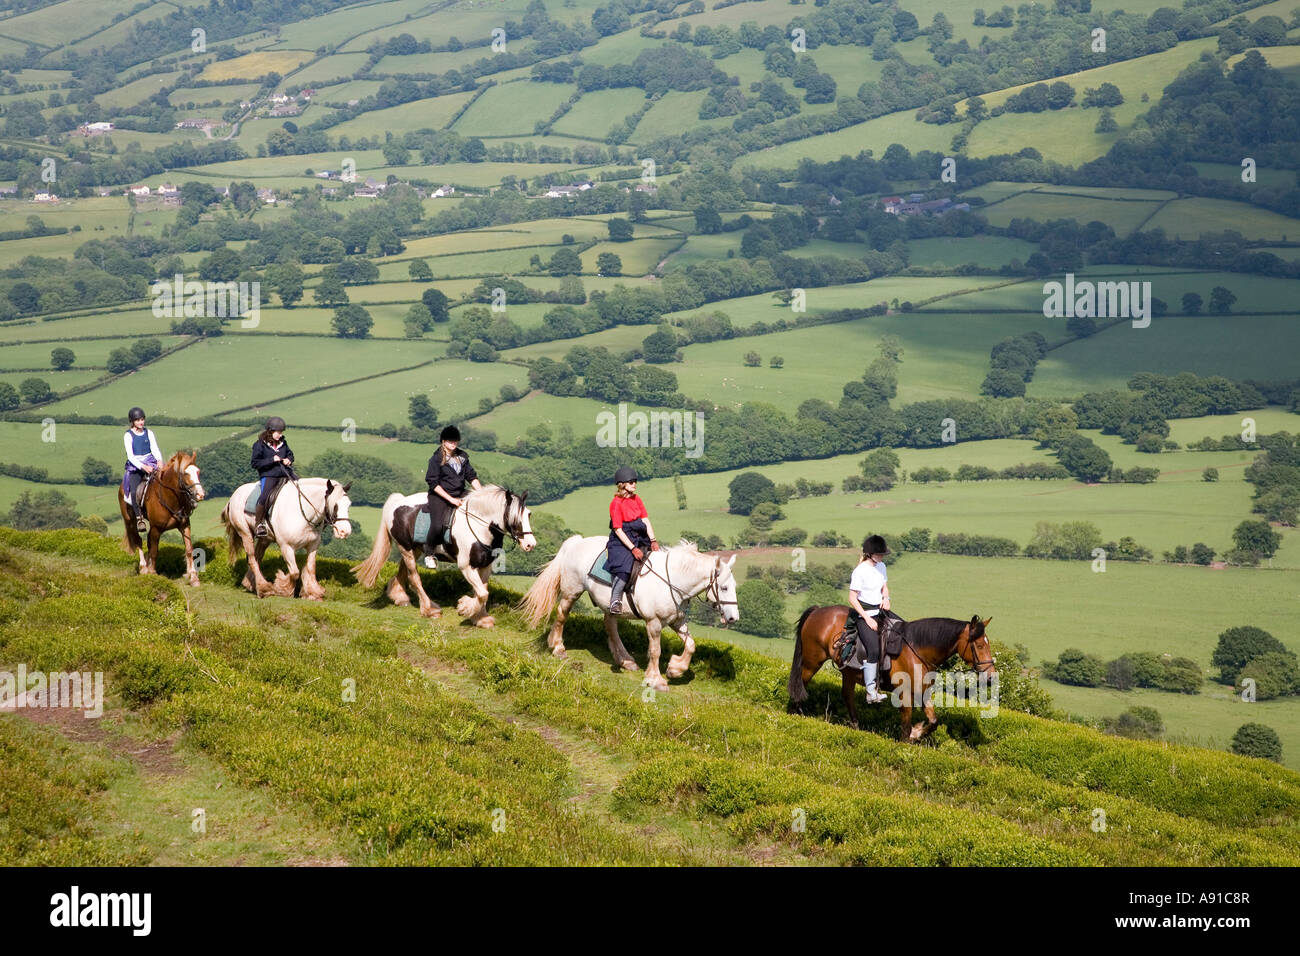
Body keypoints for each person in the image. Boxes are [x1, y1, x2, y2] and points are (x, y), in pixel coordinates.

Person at [422, 424, 482, 569]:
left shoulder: (462, 456)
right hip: (440, 495)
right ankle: (430, 554)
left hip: (460, 492)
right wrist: (451, 500)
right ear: (443, 441)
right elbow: (433, 483)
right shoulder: (435, 459)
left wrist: (481, 494)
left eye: (455, 441)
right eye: (450, 441)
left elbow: (471, 476)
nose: (453, 444)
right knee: (437, 525)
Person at [604, 466, 659, 615]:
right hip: (622, 540)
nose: (634, 484)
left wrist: (653, 540)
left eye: (635, 481)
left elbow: (645, 519)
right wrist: (632, 549)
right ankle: (615, 600)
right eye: (631, 482)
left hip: (640, 535)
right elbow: (618, 529)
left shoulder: (637, 499)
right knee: (624, 567)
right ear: (622, 484)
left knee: (657, 558)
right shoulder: (616, 503)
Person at [848, 533, 892, 703]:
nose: (882, 556)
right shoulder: (860, 571)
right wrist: (867, 618)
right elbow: (852, 598)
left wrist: (886, 598)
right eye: (880, 554)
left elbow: (885, 588)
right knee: (873, 649)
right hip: (863, 614)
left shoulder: (882, 566)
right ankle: (871, 692)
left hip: (880, 611)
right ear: (870, 554)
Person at [251, 416, 294, 538]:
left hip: (285, 474)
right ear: (270, 431)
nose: (280, 435)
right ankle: (259, 524)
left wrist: (288, 460)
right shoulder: (259, 445)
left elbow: (291, 455)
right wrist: (271, 460)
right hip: (269, 475)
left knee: (300, 487)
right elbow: (255, 463)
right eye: (279, 432)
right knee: (265, 497)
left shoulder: (283, 443)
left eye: (281, 433)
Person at [123, 407, 163, 534]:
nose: (141, 422)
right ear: (132, 421)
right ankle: (140, 518)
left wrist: (159, 461)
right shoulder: (128, 435)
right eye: (138, 420)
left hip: (151, 461)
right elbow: (130, 456)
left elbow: (155, 449)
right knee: (134, 492)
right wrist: (143, 467)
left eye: (142, 419)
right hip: (136, 466)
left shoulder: (149, 433)